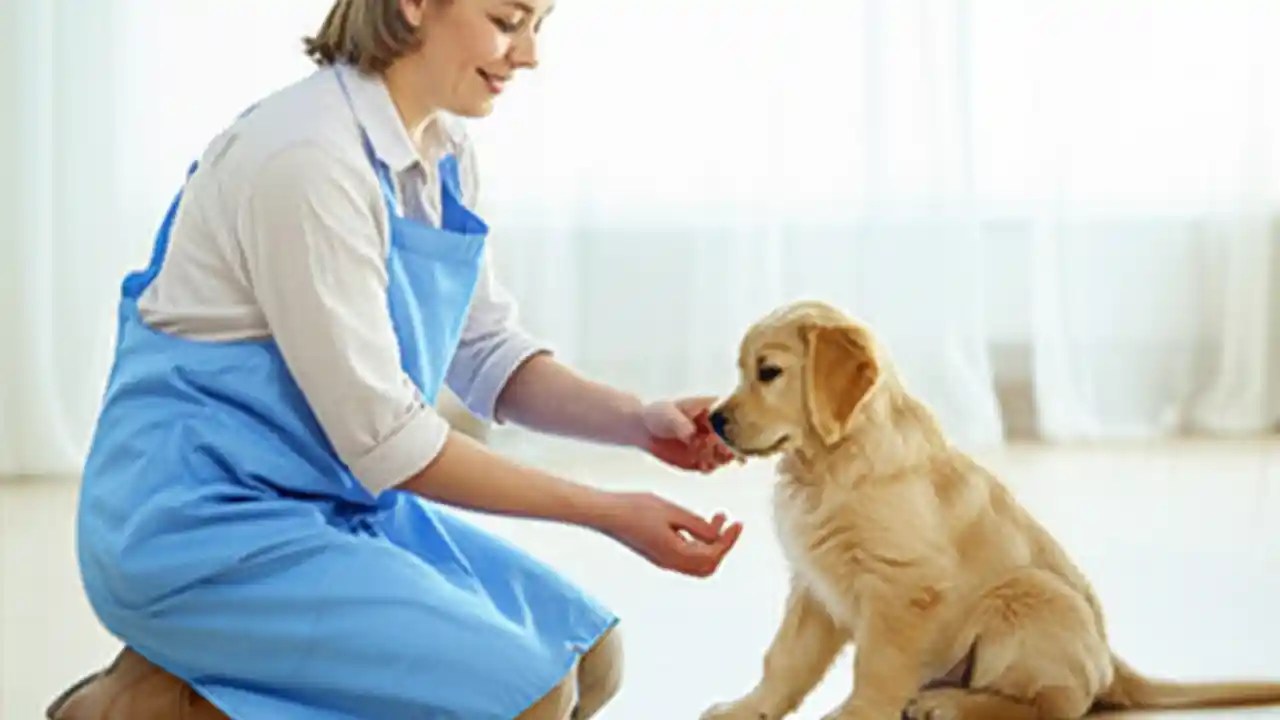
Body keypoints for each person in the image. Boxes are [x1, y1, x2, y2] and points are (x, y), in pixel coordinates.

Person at [46, 1, 743, 718]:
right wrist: (606, 511)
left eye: (540, 24)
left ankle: (174, 688)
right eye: (509, 21)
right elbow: (391, 443)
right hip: (197, 532)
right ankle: (142, 705)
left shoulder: (438, 151)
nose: (529, 54)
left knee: (591, 659)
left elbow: (486, 354)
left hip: (325, 503)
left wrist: (638, 421)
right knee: (527, 698)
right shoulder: (306, 159)